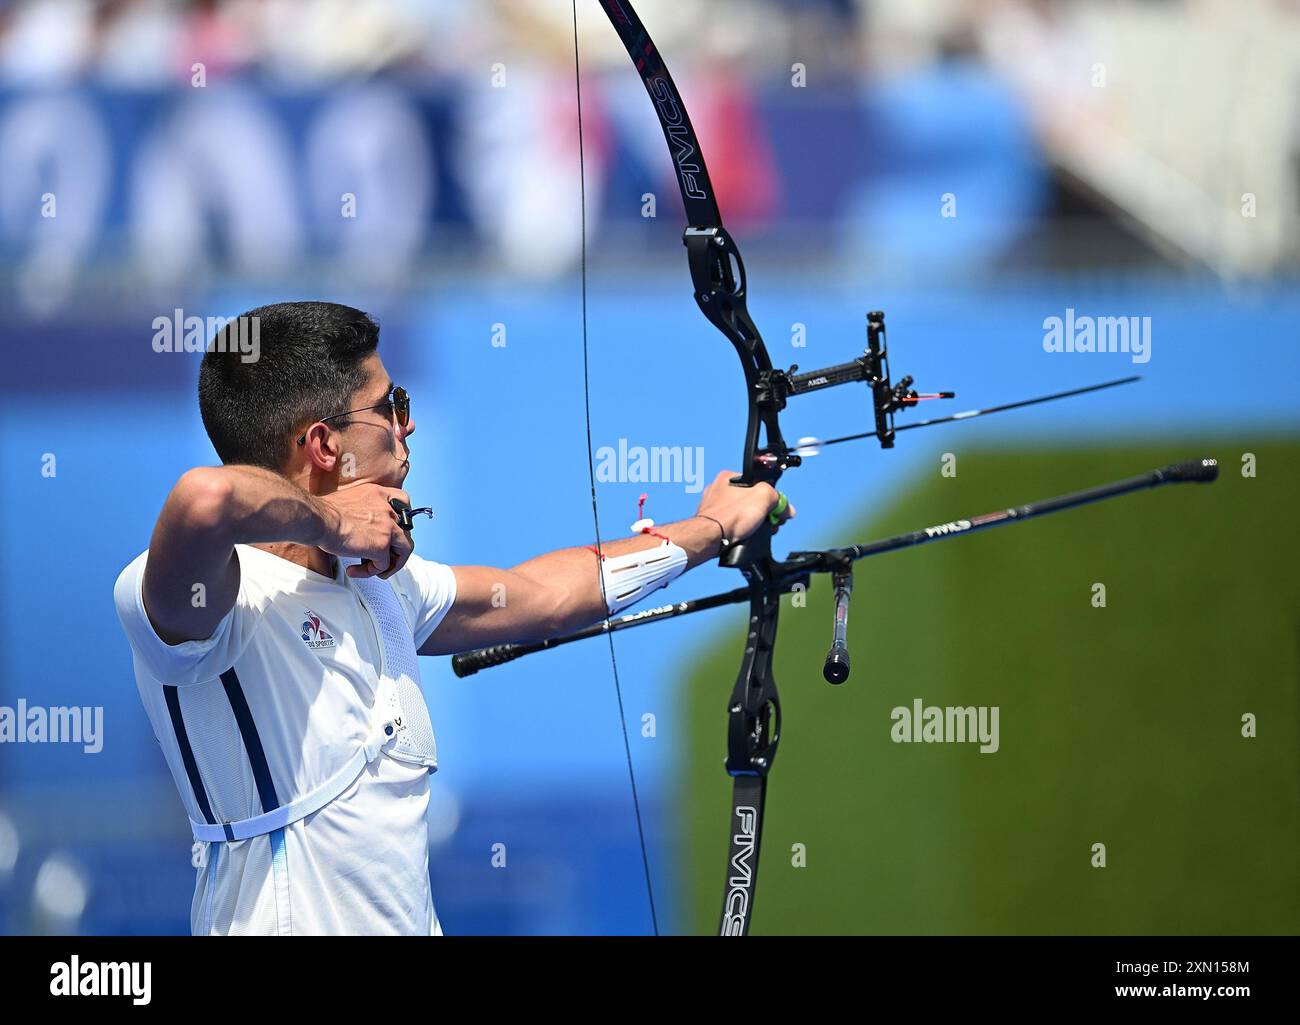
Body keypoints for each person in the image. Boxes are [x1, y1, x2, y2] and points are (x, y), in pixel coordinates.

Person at [113, 300, 789, 935]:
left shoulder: (382, 589)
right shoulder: (211, 607)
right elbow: (204, 500)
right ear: (323, 445)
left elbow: (542, 593)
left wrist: (710, 526)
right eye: (390, 407)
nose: (407, 427)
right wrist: (335, 519)